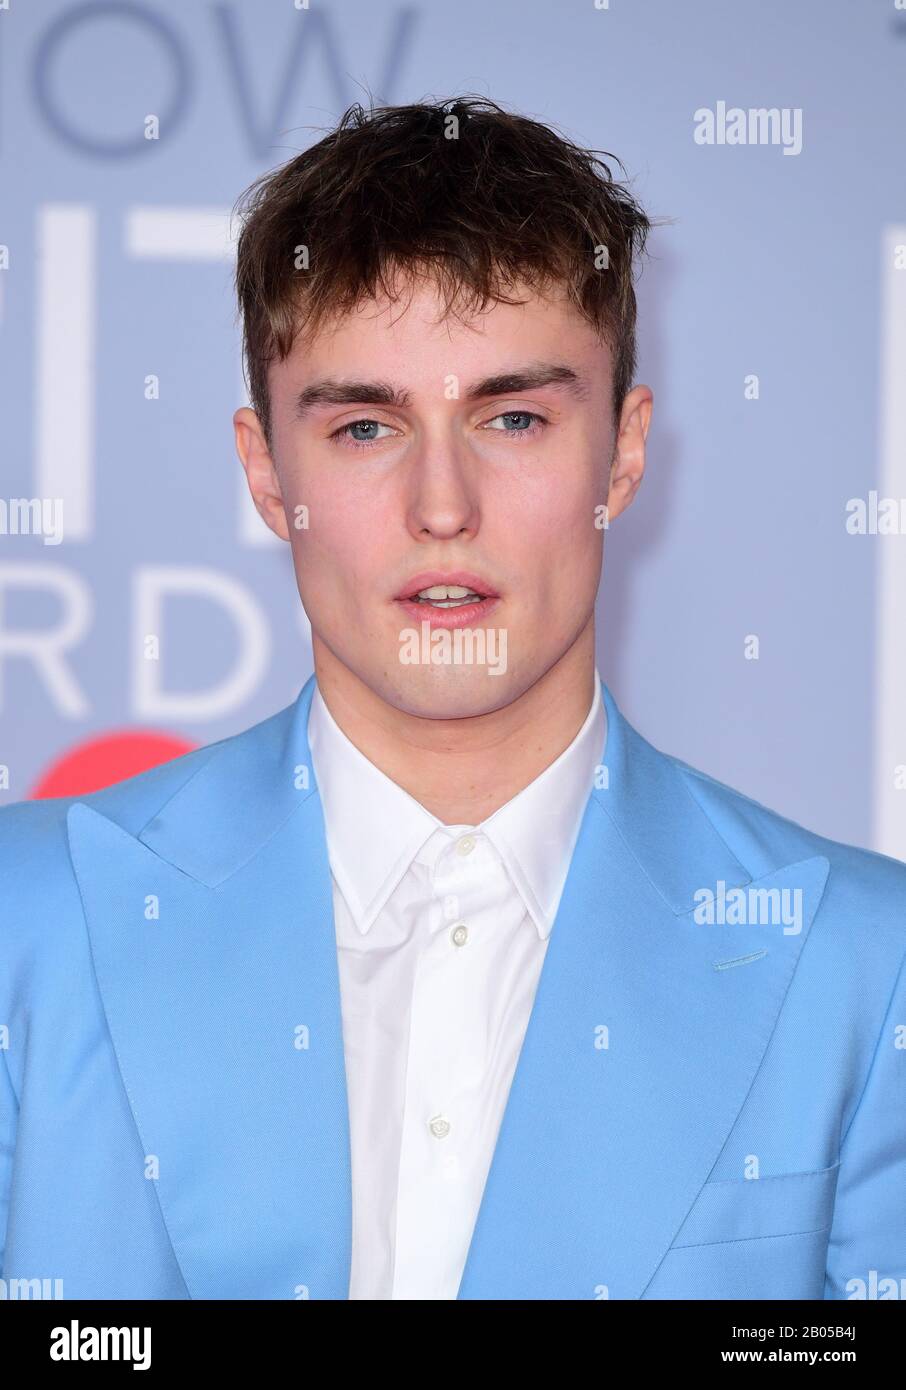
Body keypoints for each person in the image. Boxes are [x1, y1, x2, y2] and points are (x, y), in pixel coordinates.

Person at [1, 97, 904, 1301]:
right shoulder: (30, 922)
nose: (442, 505)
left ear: (623, 454)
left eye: (514, 417)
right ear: (267, 472)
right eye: (367, 424)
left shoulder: (861, 962)